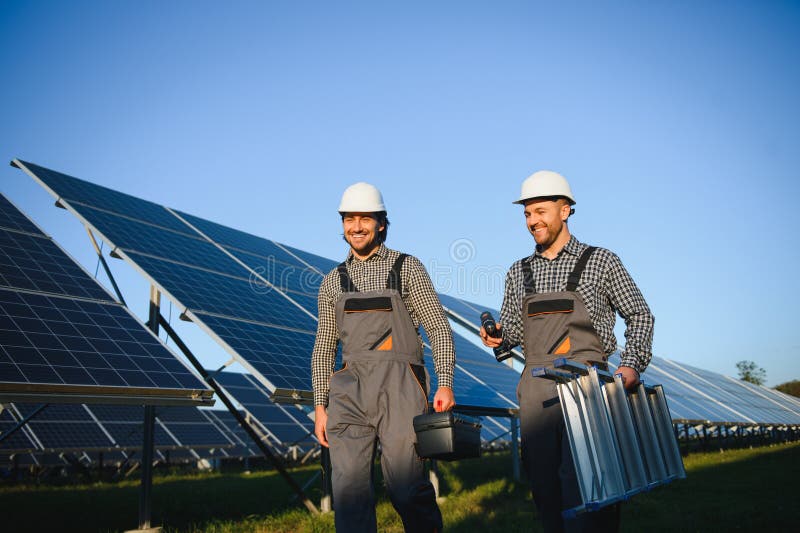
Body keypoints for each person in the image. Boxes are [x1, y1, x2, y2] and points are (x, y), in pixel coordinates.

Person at [480, 170, 654, 533]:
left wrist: (632, 365)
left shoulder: (601, 261)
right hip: (537, 390)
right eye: (527, 214)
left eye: (540, 211)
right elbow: (513, 327)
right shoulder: (518, 271)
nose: (532, 221)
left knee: (592, 487)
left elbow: (639, 314)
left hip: (588, 386)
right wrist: (499, 337)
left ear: (566, 210)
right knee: (545, 491)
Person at [312, 182, 456, 532]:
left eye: (365, 218)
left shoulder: (407, 268)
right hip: (349, 394)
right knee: (348, 495)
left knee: (406, 489)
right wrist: (320, 405)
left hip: (401, 390)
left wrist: (445, 383)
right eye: (349, 219)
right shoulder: (332, 282)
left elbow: (438, 327)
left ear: (381, 223)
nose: (356, 226)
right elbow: (323, 346)